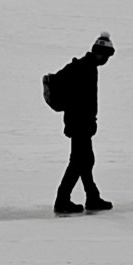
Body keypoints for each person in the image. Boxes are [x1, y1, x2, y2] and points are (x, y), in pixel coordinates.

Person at [42, 35, 114, 213]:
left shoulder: (86, 67)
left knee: (86, 160)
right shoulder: (84, 68)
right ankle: (62, 200)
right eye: (106, 56)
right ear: (99, 53)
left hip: (80, 123)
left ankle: (92, 196)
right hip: (79, 124)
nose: (106, 60)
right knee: (78, 162)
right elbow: (83, 101)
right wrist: (88, 121)